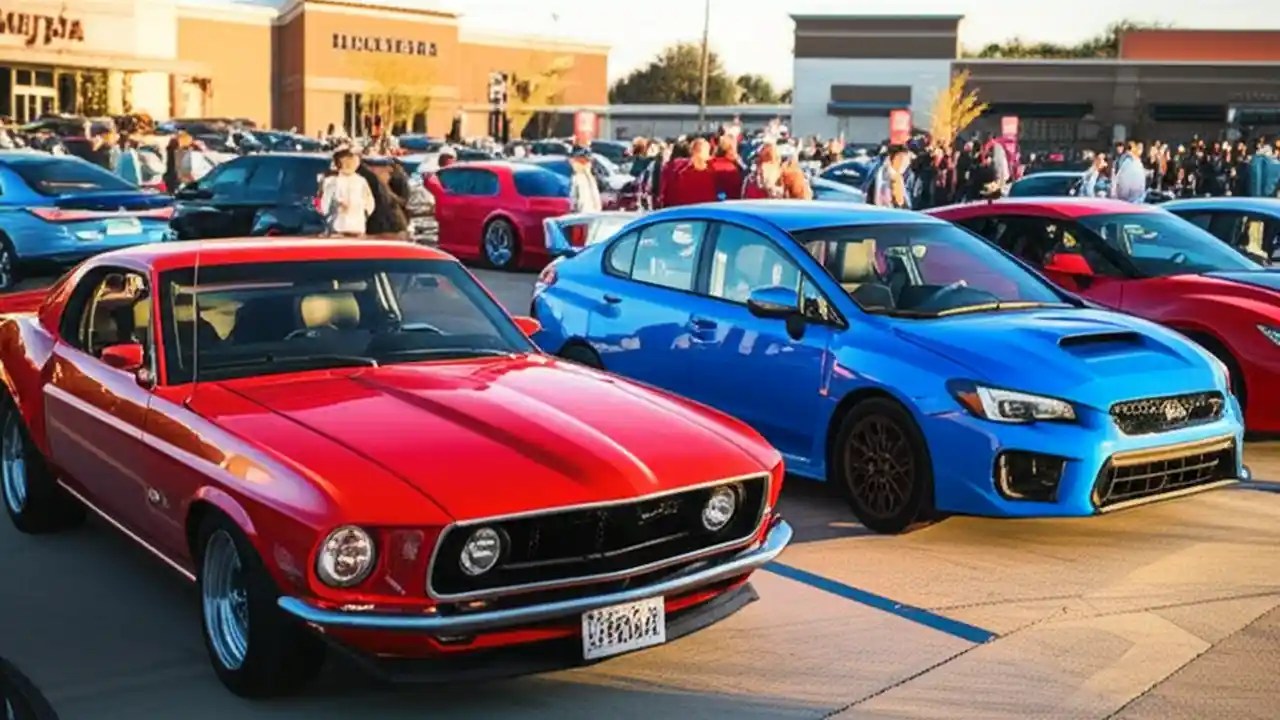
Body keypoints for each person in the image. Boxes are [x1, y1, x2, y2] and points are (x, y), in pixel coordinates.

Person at [320, 149, 375, 237]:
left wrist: (365, 213)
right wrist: (336, 205)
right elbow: (325, 204)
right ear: (339, 164)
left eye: (352, 162)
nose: (349, 165)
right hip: (338, 227)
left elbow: (369, 202)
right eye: (345, 163)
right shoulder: (332, 182)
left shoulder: (361, 181)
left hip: (358, 227)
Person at [569, 147, 603, 212]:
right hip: (582, 215)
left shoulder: (589, 175)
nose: (588, 162)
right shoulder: (576, 176)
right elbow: (572, 198)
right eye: (585, 159)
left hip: (593, 214)